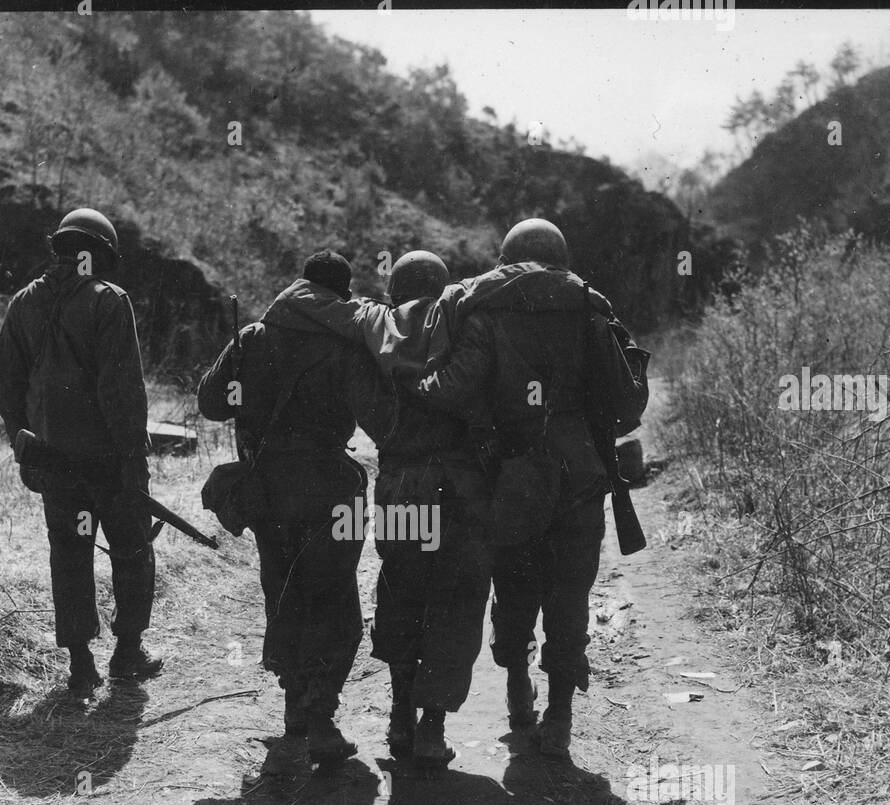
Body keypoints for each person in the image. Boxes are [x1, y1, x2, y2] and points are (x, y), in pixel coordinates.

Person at [407, 219, 642, 758]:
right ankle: (559, 717)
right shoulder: (590, 309)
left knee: (514, 584)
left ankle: (517, 685)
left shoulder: (486, 308)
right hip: (579, 475)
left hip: (512, 474)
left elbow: (454, 386)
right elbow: (628, 404)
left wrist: (414, 384)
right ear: (560, 255)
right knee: (570, 592)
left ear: (508, 258)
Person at [197, 251, 386, 766]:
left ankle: (294, 709)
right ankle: (321, 717)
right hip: (331, 491)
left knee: (283, 593)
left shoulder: (255, 336)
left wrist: (240, 370)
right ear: (340, 296)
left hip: (270, 489)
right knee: (334, 599)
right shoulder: (347, 341)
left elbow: (213, 403)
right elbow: (379, 420)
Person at [0, 207, 162, 695]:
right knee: (133, 550)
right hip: (108, 462)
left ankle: (80, 666)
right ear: (101, 255)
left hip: (53, 463)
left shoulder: (22, 303)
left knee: (69, 555)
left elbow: (8, 390)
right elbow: (122, 390)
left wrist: (25, 445)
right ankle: (128, 653)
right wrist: (133, 458)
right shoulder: (108, 301)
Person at [353, 252, 492, 775]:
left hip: (404, 488)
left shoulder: (377, 336)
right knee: (455, 602)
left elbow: (365, 407)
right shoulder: (468, 327)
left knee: (403, 590)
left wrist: (397, 434)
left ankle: (398, 715)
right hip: (462, 491)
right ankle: (432, 727)